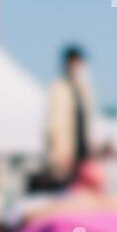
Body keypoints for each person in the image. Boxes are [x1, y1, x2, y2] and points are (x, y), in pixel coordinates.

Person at [45, 45, 95, 187]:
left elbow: (89, 122)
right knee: (65, 186)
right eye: (74, 62)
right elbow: (54, 122)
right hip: (66, 152)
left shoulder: (84, 88)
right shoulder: (59, 87)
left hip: (83, 153)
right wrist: (59, 150)